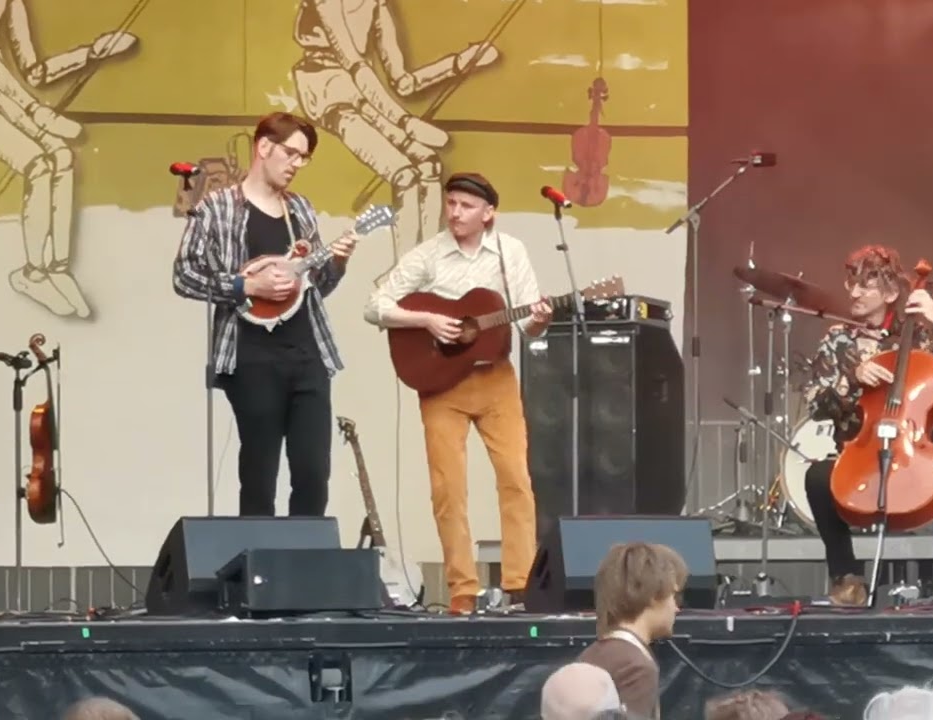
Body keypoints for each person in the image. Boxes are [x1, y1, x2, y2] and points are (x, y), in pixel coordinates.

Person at [364, 172, 552, 613]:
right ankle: (462, 593)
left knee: (516, 480)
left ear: (489, 214)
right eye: (451, 203)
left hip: (496, 378)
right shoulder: (428, 255)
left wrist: (540, 318)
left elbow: (527, 322)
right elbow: (376, 305)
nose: (455, 212)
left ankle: (521, 586)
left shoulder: (511, 252)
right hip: (441, 382)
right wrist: (426, 321)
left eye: (466, 206)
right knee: (448, 489)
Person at [173, 112, 357, 517]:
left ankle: (305, 568)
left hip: (308, 354)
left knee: (313, 472)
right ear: (263, 147)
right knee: (259, 474)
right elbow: (184, 275)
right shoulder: (217, 208)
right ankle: (258, 575)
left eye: (303, 158)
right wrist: (246, 287)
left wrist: (338, 264)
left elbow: (317, 288)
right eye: (291, 153)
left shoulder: (301, 210)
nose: (295, 164)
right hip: (250, 357)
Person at [801, 245, 933, 606]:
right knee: (817, 477)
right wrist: (851, 379)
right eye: (852, 284)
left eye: (865, 286)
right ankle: (846, 578)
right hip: (859, 455)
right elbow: (816, 404)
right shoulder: (838, 340)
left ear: (892, 292)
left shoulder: (922, 338)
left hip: (911, 452)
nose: (853, 293)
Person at [576, 542, 687, 719]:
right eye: (674, 595)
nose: (676, 608)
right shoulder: (636, 668)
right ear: (652, 594)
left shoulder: (590, 654)